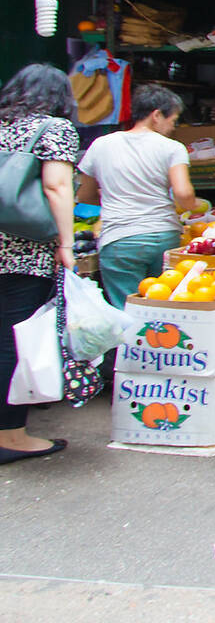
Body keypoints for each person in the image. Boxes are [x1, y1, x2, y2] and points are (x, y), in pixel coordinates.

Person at [0, 64, 79, 464]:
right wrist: (66, 243)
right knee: (12, 341)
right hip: (24, 254)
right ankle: (9, 436)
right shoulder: (54, 129)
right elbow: (56, 186)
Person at [78, 84, 198, 309]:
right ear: (156, 115)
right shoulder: (172, 148)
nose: (173, 127)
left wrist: (115, 197)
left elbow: (84, 195)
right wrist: (195, 205)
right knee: (165, 306)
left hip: (120, 240)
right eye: (173, 120)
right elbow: (183, 193)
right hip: (164, 236)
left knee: (129, 311)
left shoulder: (100, 145)